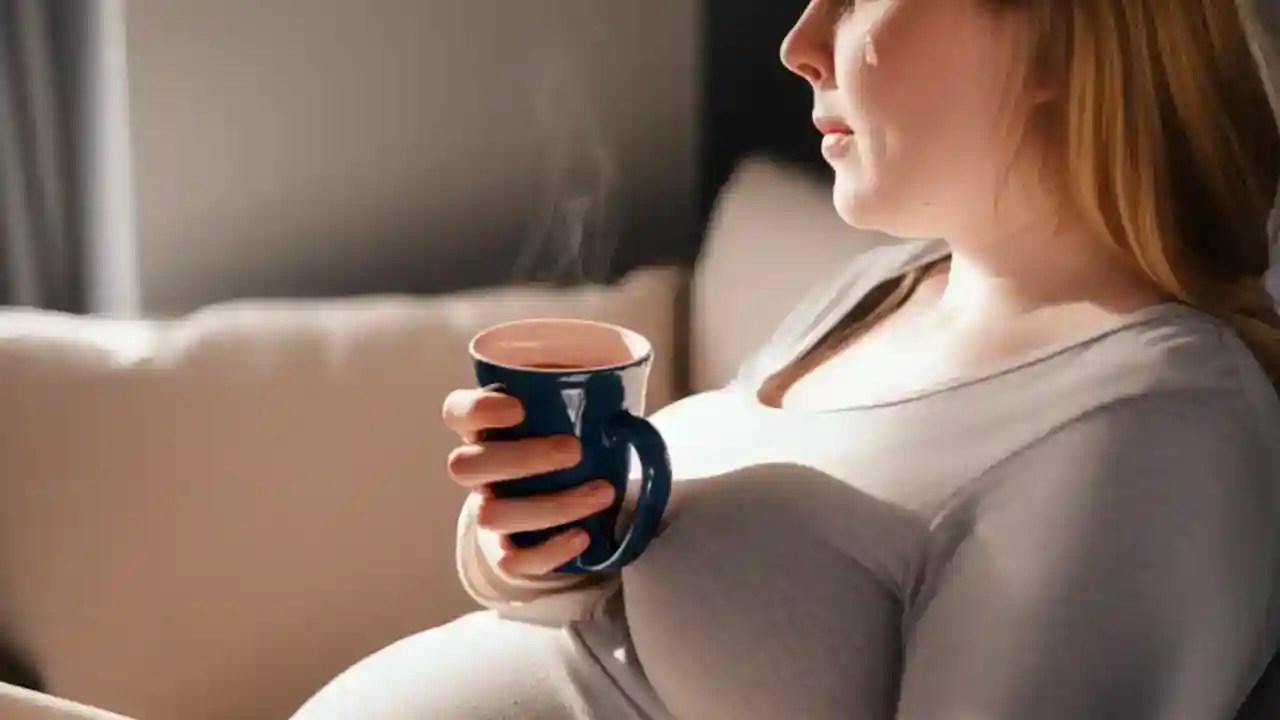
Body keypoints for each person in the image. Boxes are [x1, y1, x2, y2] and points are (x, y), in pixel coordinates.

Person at [294, 0, 1280, 717]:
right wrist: (540, 541)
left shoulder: (1152, 434)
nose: (799, 46)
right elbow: (649, 621)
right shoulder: (883, 288)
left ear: (1064, 33)